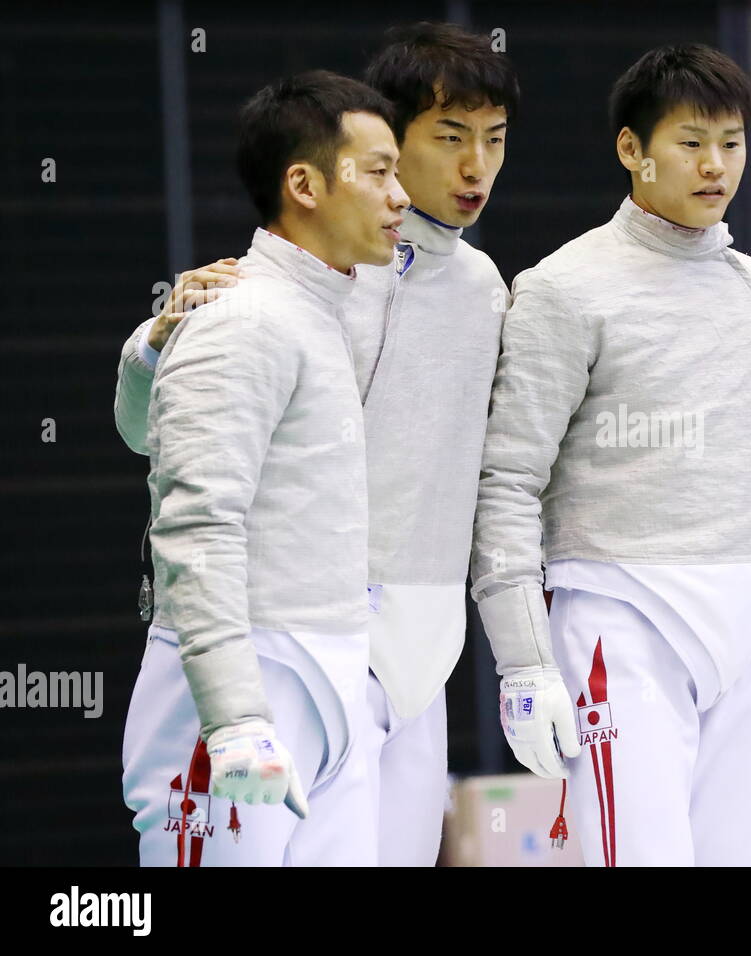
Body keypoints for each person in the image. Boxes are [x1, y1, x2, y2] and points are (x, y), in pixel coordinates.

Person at [114, 22, 517, 866]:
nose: (473, 165)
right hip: (277, 646)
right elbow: (191, 506)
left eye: (494, 138)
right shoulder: (264, 300)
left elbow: (504, 475)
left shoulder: (473, 290)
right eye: (445, 141)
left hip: (388, 651)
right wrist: (162, 338)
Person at [470, 43, 751, 867]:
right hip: (624, 624)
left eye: (731, 143)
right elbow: (507, 481)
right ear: (633, 149)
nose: (714, 165)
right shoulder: (564, 288)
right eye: (691, 142)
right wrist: (522, 661)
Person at [120, 70, 410, 866]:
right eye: (379, 171)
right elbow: (195, 522)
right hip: (241, 686)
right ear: (304, 183)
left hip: (334, 678)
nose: (399, 196)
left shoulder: (322, 310)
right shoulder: (243, 318)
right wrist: (235, 715)